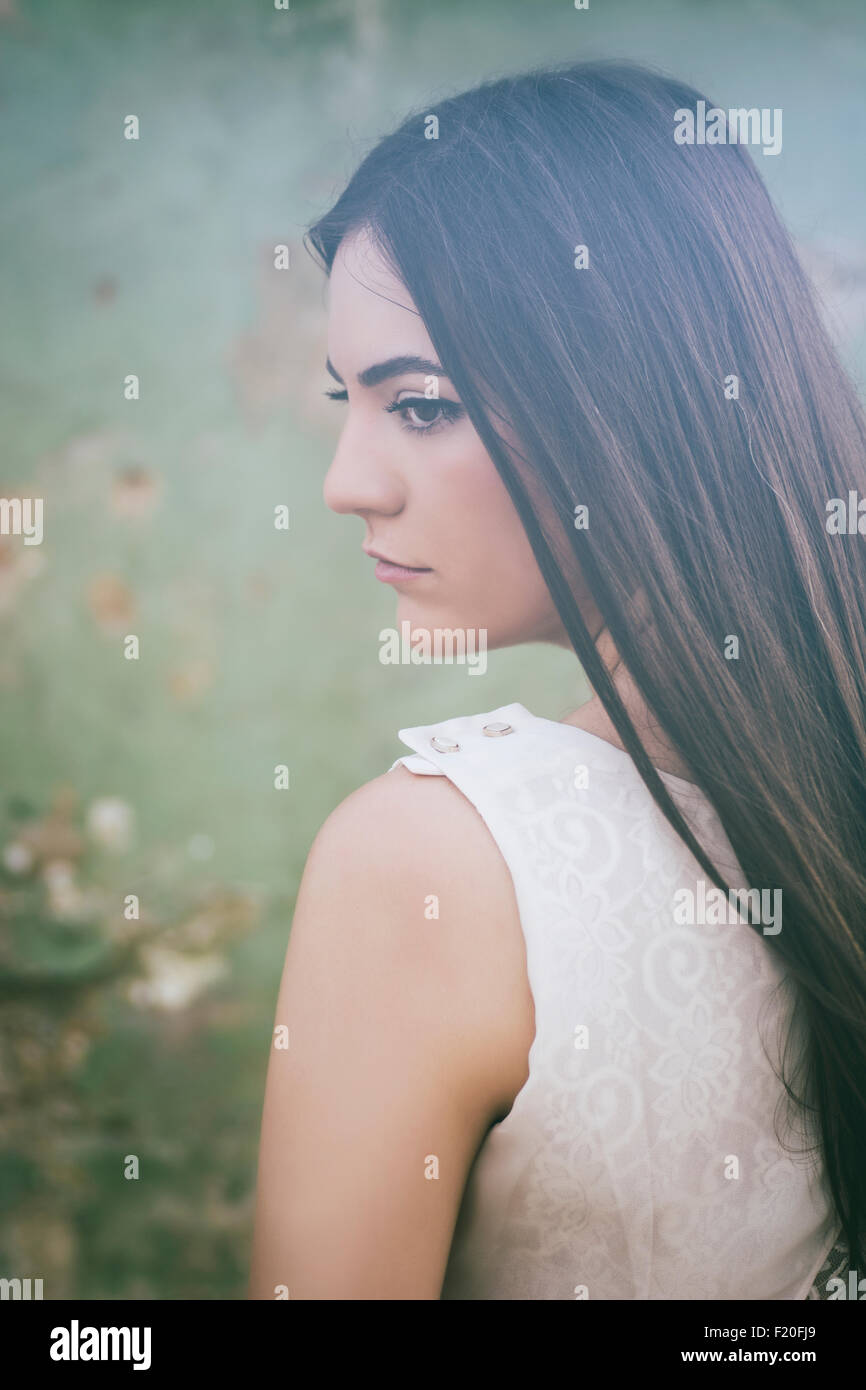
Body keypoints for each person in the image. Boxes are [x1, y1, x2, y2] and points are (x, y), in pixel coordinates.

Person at [249, 61, 866, 1300]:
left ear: (621, 399)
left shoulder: (431, 865)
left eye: (418, 407)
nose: (346, 482)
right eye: (344, 404)